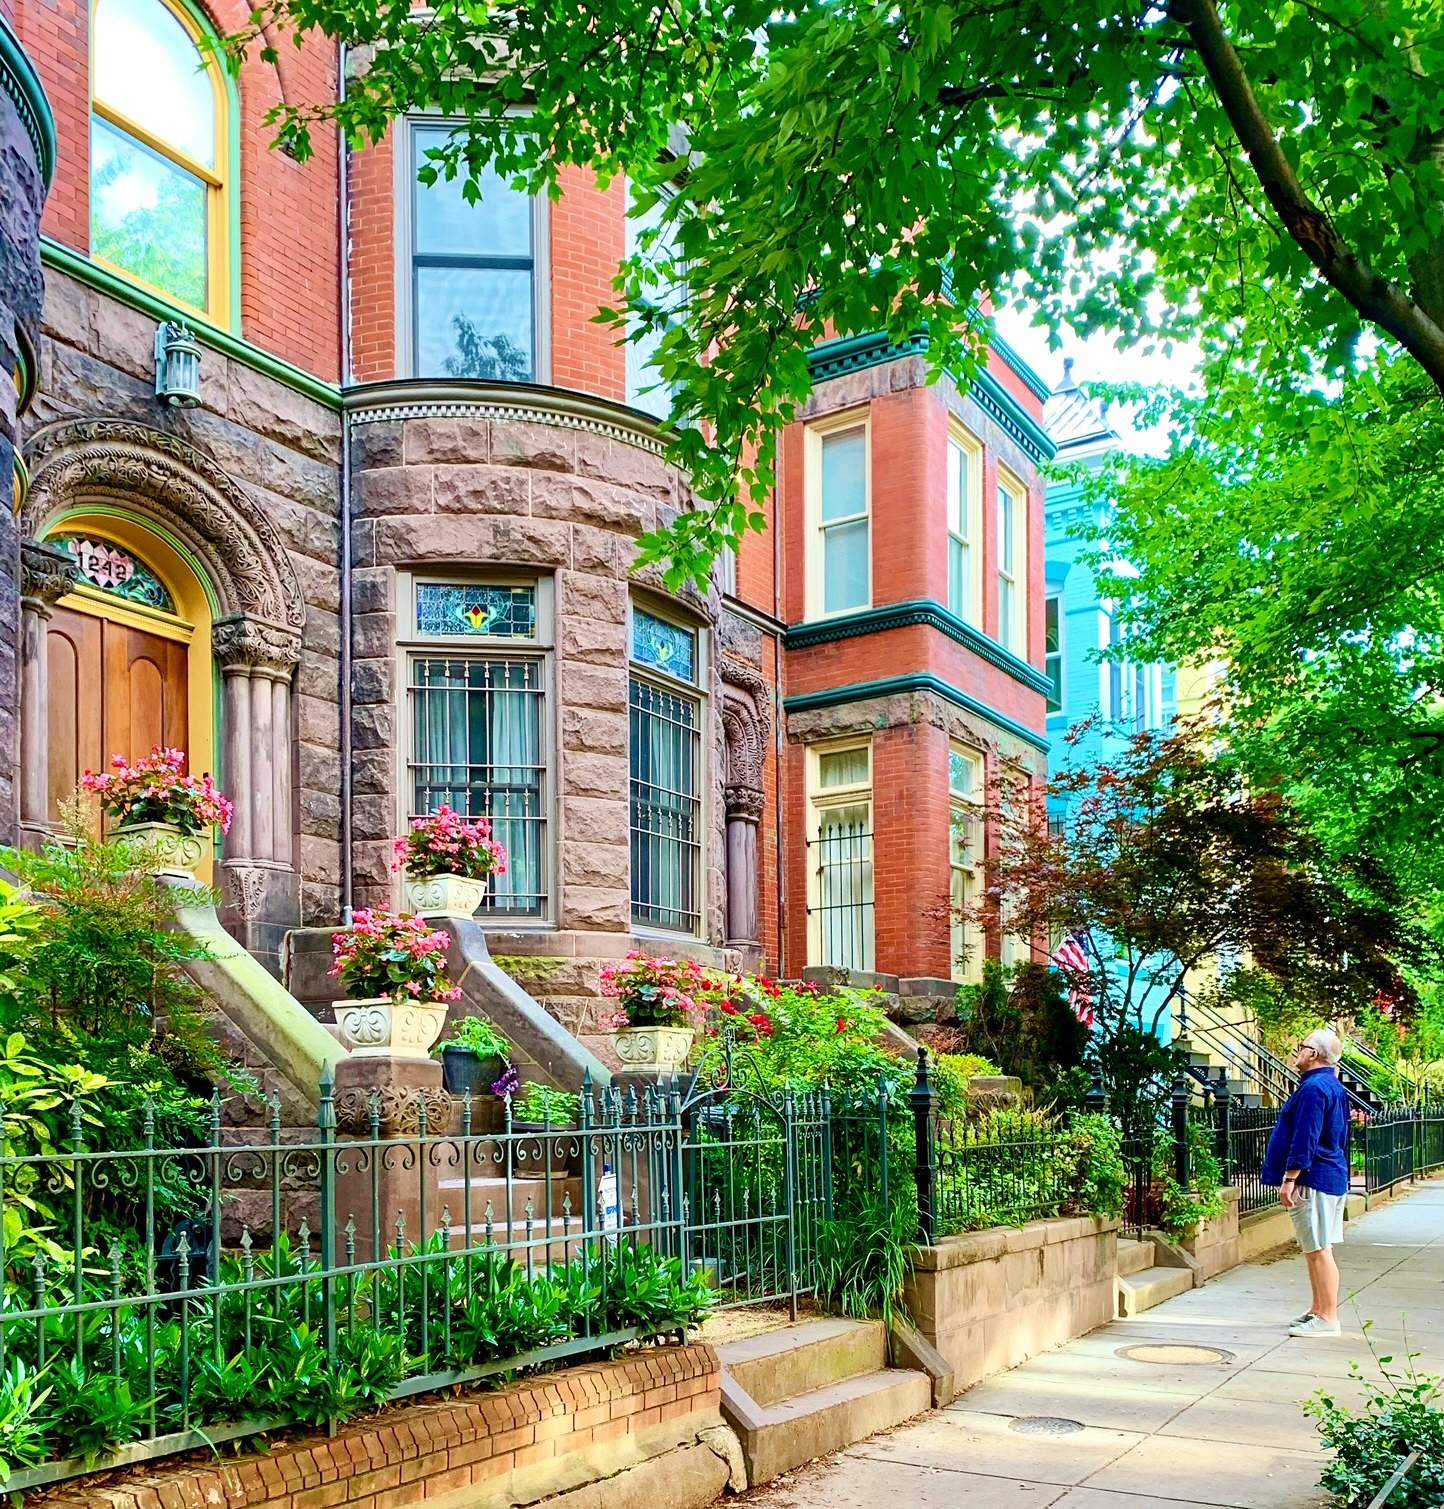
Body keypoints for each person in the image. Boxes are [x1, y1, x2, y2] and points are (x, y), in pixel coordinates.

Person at [1260, 1028, 1351, 1337]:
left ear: (1313, 1054)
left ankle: (1328, 1317)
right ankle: (1318, 1309)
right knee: (1315, 1247)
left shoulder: (1313, 1088)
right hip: (1327, 1175)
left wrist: (1290, 1178)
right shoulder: (1330, 1085)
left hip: (1315, 1178)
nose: (1297, 1051)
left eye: (1302, 1046)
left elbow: (1306, 1136)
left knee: (1319, 1249)